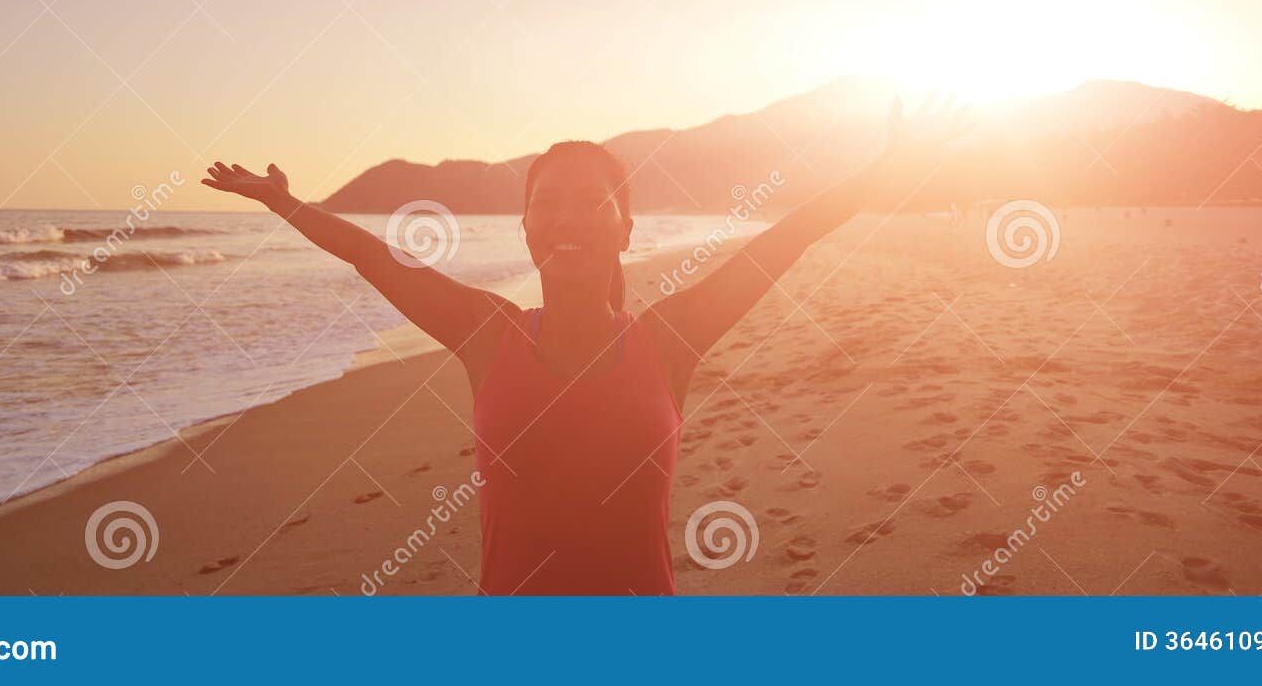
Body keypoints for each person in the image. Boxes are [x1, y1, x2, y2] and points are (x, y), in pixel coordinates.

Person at [202, 96, 970, 594]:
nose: (566, 218)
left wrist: (879, 173)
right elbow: (375, 257)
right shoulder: (487, 334)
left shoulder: (669, 340)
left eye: (588, 201)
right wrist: (287, 205)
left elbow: (783, 241)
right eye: (548, 202)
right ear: (526, 227)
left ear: (625, 228)